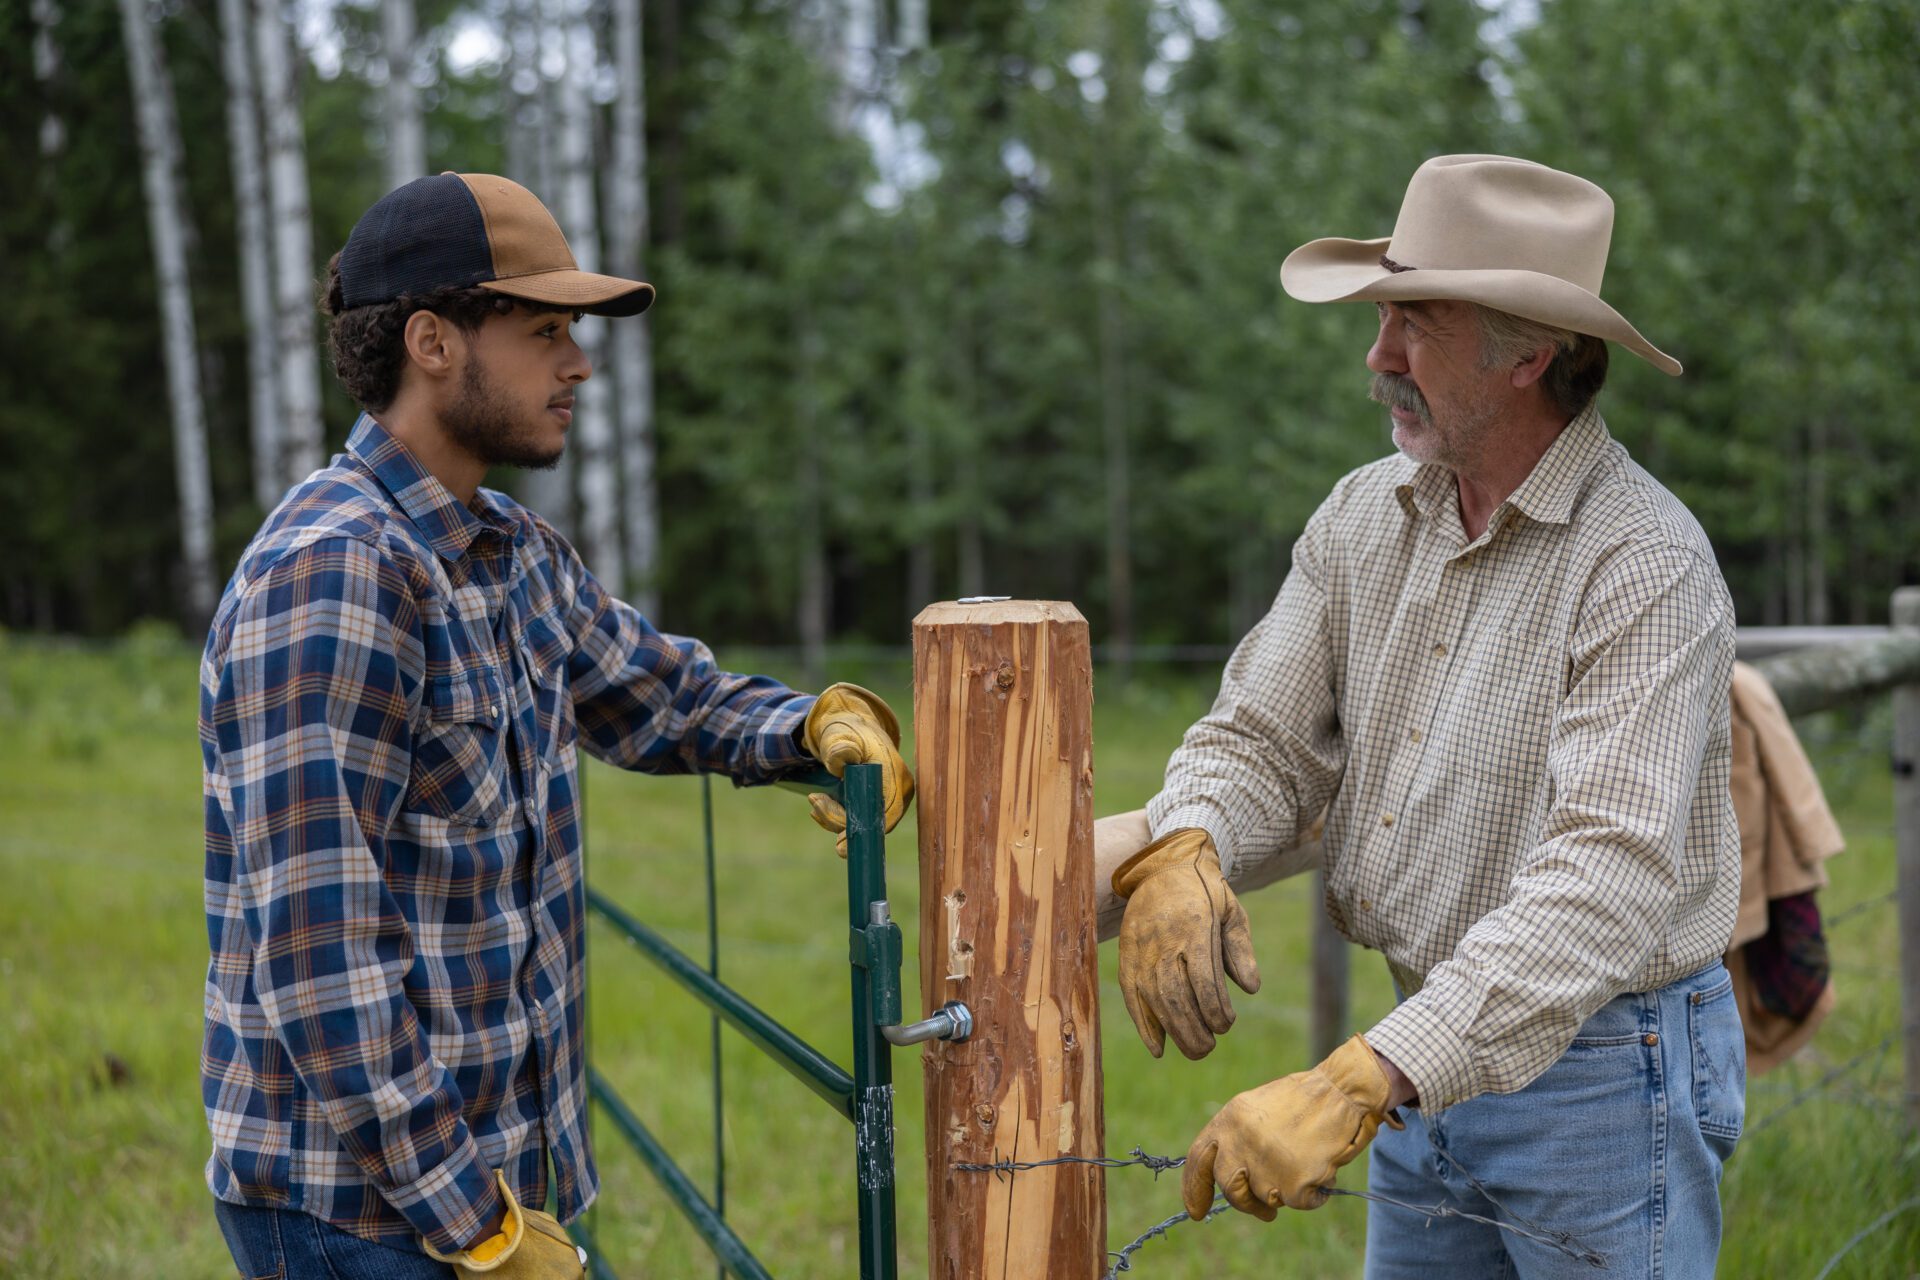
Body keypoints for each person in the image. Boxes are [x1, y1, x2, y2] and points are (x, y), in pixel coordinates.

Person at [198, 172, 912, 1279]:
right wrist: (473, 1222)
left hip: (485, 1194)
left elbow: (657, 693)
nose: (577, 363)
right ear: (432, 341)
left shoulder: (511, 553)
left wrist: (808, 726)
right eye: (543, 330)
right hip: (360, 1216)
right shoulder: (336, 574)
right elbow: (320, 960)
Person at [1111, 155, 1744, 1278]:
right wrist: (1188, 838)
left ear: (1531, 354)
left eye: (1416, 320)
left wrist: (1359, 1076)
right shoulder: (1367, 513)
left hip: (1602, 1068)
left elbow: (1605, 877)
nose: (1379, 355)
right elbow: (1262, 737)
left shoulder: (1645, 564)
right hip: (1420, 1053)